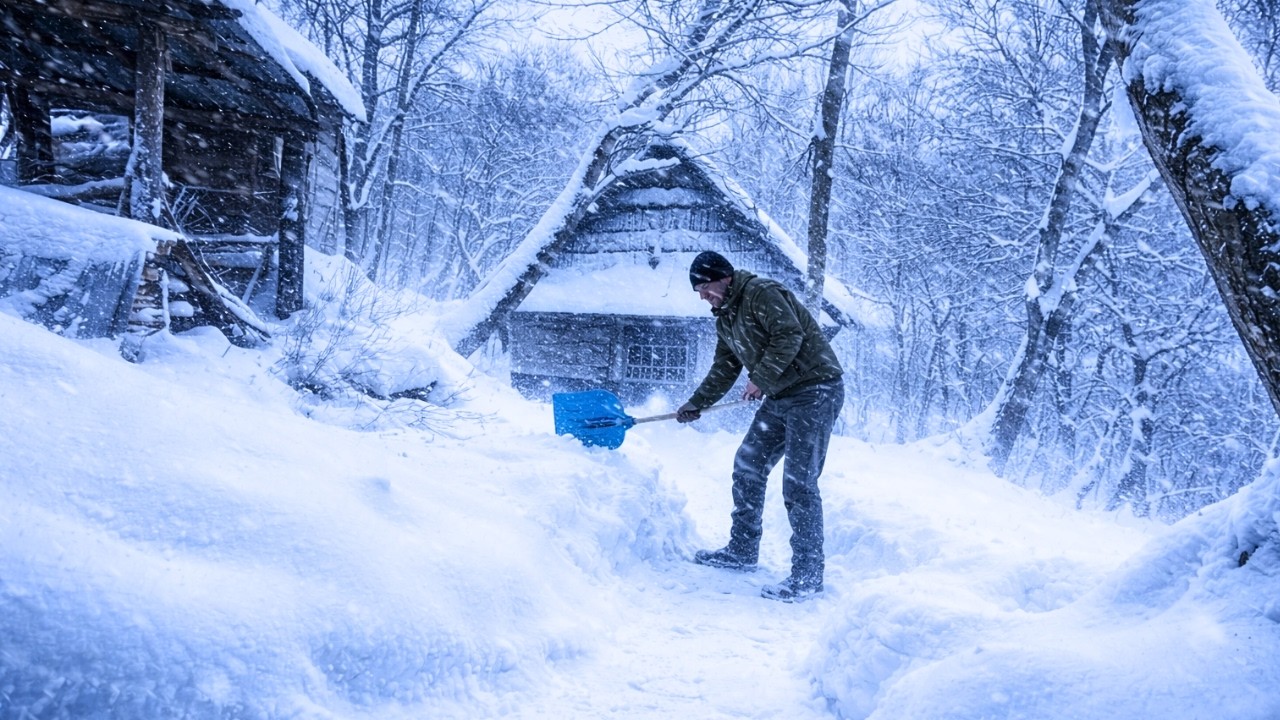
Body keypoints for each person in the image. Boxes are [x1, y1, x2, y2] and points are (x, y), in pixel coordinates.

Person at [677, 250, 845, 602]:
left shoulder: (761, 293)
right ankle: (741, 550)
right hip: (781, 395)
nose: (703, 297)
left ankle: (808, 577)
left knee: (799, 484)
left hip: (814, 390)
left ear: (724, 278)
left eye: (706, 288)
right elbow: (725, 368)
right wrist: (697, 403)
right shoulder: (725, 318)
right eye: (699, 293)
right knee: (748, 465)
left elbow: (789, 335)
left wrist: (761, 377)